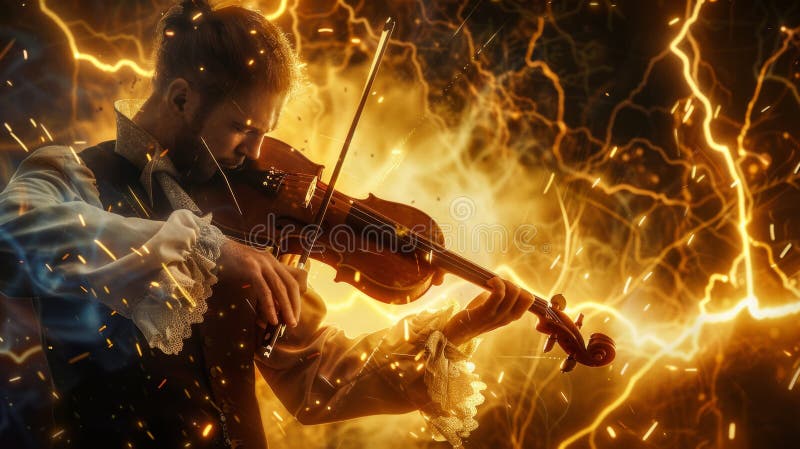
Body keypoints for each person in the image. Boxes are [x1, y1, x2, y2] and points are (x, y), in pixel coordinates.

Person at [0, 1, 535, 448]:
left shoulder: (248, 218)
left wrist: (455, 331)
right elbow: (12, 233)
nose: (255, 153)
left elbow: (315, 381)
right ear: (182, 97)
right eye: (242, 128)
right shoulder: (72, 175)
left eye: (265, 131)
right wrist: (212, 250)